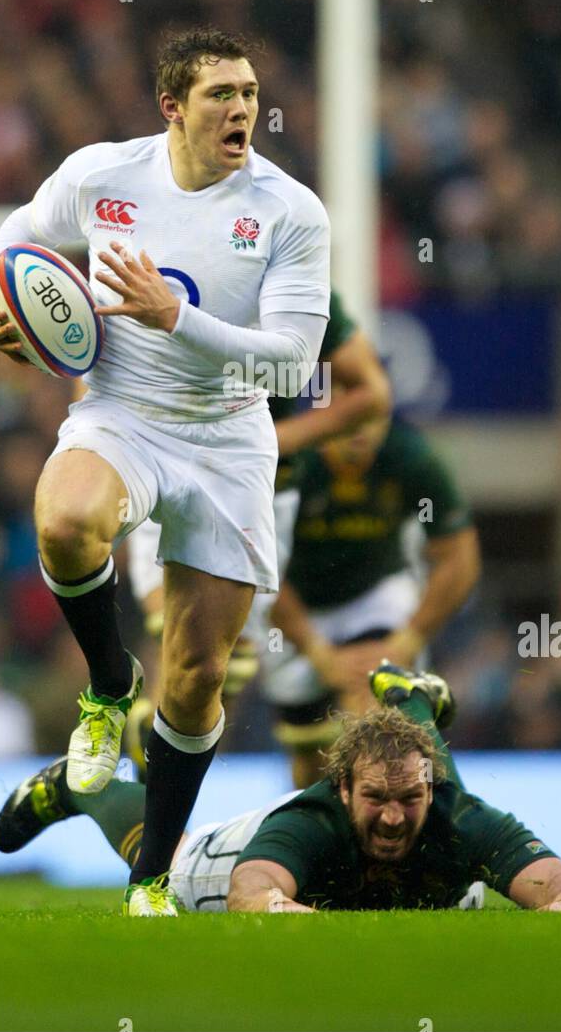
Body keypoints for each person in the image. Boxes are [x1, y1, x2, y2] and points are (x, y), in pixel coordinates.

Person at [0, 27, 330, 915]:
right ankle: (104, 687)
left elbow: (289, 366)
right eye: (220, 94)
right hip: (120, 411)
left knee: (200, 672)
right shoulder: (102, 176)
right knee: (62, 521)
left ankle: (152, 877)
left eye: (248, 91)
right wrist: (1, 309)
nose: (241, 108)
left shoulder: (289, 212)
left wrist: (174, 316)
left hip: (226, 436)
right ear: (172, 106)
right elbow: (20, 237)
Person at [0, 663, 561, 916]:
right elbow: (250, 890)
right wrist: (291, 914)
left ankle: (409, 699)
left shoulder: (458, 813)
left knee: (431, 799)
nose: (393, 818)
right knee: (169, 856)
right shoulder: (312, 820)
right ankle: (78, 789)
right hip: (233, 855)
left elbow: (558, 879)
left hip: (431, 830)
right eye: (375, 801)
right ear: (341, 791)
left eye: (408, 802)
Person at [124, 288, 392, 761]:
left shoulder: (295, 284)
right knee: (186, 641)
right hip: (167, 467)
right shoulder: (156, 255)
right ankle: (150, 803)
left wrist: (271, 439)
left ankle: (163, 802)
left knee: (222, 667)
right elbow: (93, 363)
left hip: (260, 491)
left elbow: (371, 391)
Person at [264, 410, 481, 784]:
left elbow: (459, 558)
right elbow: (256, 565)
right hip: (291, 604)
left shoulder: (410, 457)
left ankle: (384, 805)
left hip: (376, 595)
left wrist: (409, 639)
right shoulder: (289, 462)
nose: (359, 432)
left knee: (377, 696)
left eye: (369, 418)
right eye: (347, 420)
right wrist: (317, 651)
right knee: (308, 756)